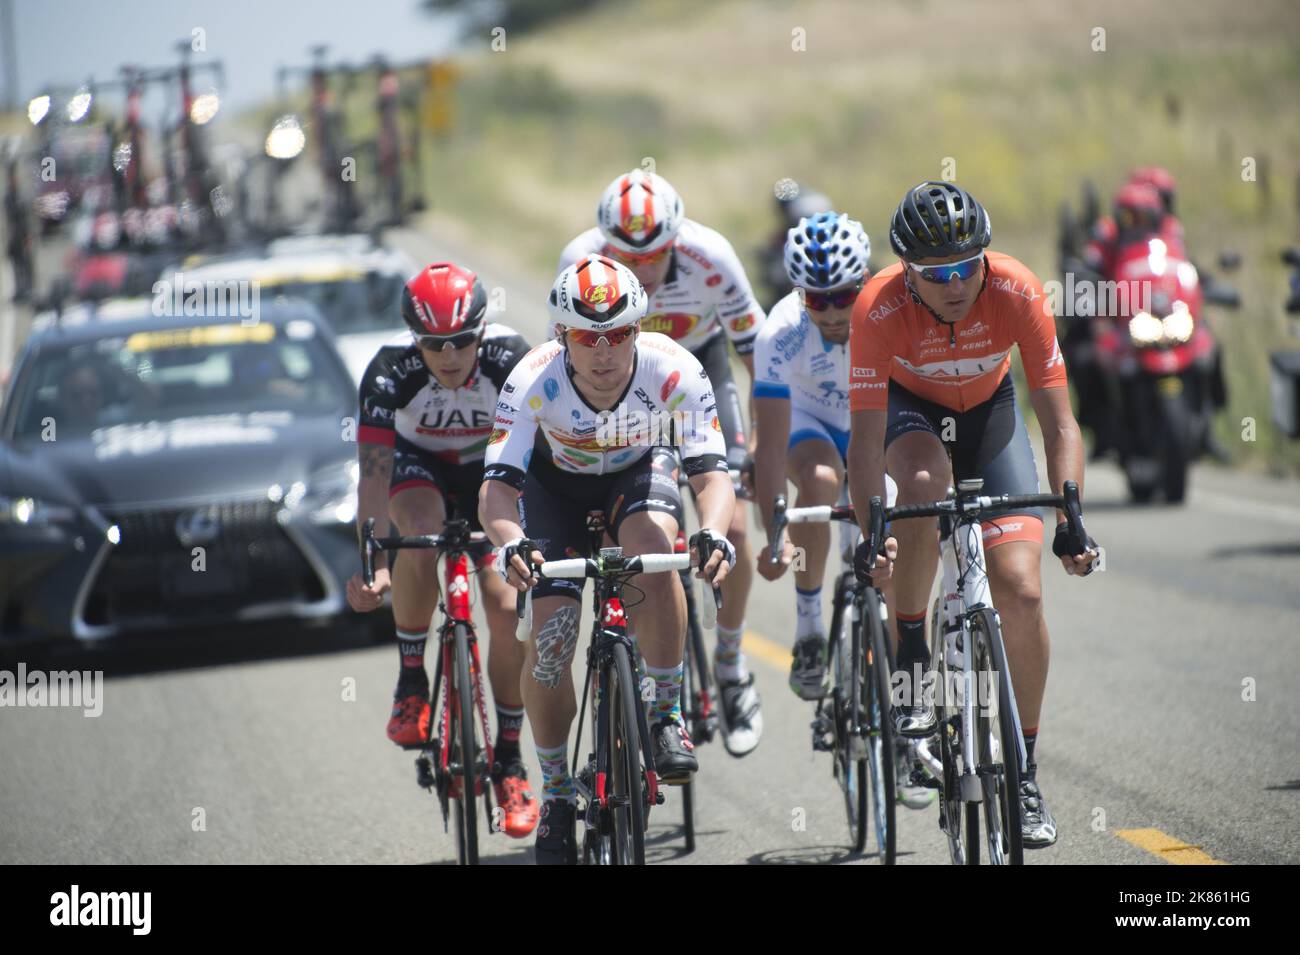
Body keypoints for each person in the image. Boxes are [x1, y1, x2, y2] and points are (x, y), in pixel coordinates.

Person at [847, 181, 1100, 849]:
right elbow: (867, 444)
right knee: (926, 482)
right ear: (908, 272)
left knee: (1020, 588)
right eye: (937, 273)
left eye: (967, 265)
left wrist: (1070, 515)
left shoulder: (1016, 289)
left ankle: (1023, 771)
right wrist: (872, 528)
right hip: (912, 412)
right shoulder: (878, 308)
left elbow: (1060, 424)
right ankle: (909, 643)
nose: (956, 283)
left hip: (990, 414)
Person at [479, 254, 736, 864]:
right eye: (585, 336)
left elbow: (711, 473)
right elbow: (496, 486)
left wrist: (717, 532)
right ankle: (560, 794)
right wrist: (510, 540)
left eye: (618, 334)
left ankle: (665, 712)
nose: (602, 352)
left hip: (639, 476)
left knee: (653, 548)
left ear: (638, 329)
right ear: (561, 334)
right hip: (553, 494)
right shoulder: (533, 377)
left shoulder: (674, 369)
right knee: (549, 644)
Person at [557, 169, 766, 756]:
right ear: (606, 245)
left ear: (678, 239)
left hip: (697, 370)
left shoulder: (712, 257)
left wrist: (757, 449)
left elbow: (757, 356)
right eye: (628, 255)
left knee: (735, 523)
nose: (643, 268)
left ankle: (729, 666)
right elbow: (562, 361)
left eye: (656, 255)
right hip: (621, 381)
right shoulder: (580, 261)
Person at [347, 262, 539, 839]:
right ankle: (412, 681)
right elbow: (373, 478)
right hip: (419, 468)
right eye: (435, 344)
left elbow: (544, 454)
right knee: (418, 528)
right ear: (415, 340)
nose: (450, 355)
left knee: (506, 609)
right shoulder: (388, 372)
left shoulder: (513, 360)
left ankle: (509, 760)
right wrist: (373, 562)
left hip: (489, 473)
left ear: (482, 331)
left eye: (462, 341)